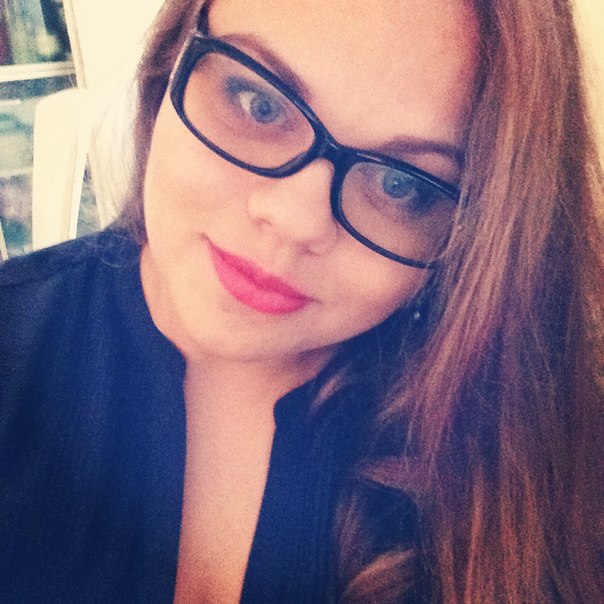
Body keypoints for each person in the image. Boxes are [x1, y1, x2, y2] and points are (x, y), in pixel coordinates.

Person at [0, 0, 602, 602]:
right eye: (259, 103)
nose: (293, 221)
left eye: (400, 184)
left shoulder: (538, 465)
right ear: (169, 65)